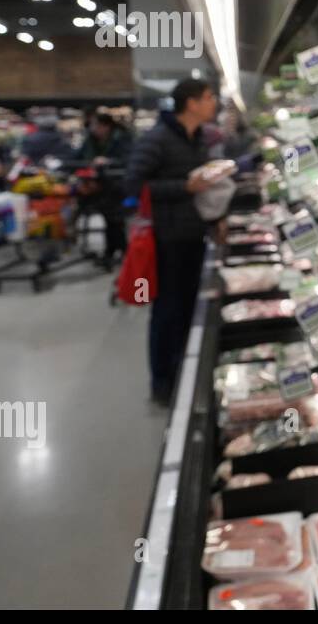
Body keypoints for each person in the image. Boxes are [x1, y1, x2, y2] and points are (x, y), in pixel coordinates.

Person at [125, 79, 220, 403]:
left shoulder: (198, 139)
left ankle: (183, 374)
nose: (214, 102)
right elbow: (135, 186)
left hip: (192, 234)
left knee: (187, 308)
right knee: (167, 310)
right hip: (166, 239)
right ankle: (162, 382)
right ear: (191, 103)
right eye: (209, 97)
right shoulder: (158, 139)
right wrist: (184, 188)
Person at [75, 112, 133, 264]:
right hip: (97, 187)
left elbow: (129, 160)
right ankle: (116, 251)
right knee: (110, 221)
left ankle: (117, 252)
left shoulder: (122, 139)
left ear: (106, 126)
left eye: (96, 125)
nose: (93, 128)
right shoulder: (90, 141)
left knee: (115, 220)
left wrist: (108, 161)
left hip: (117, 186)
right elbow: (78, 157)